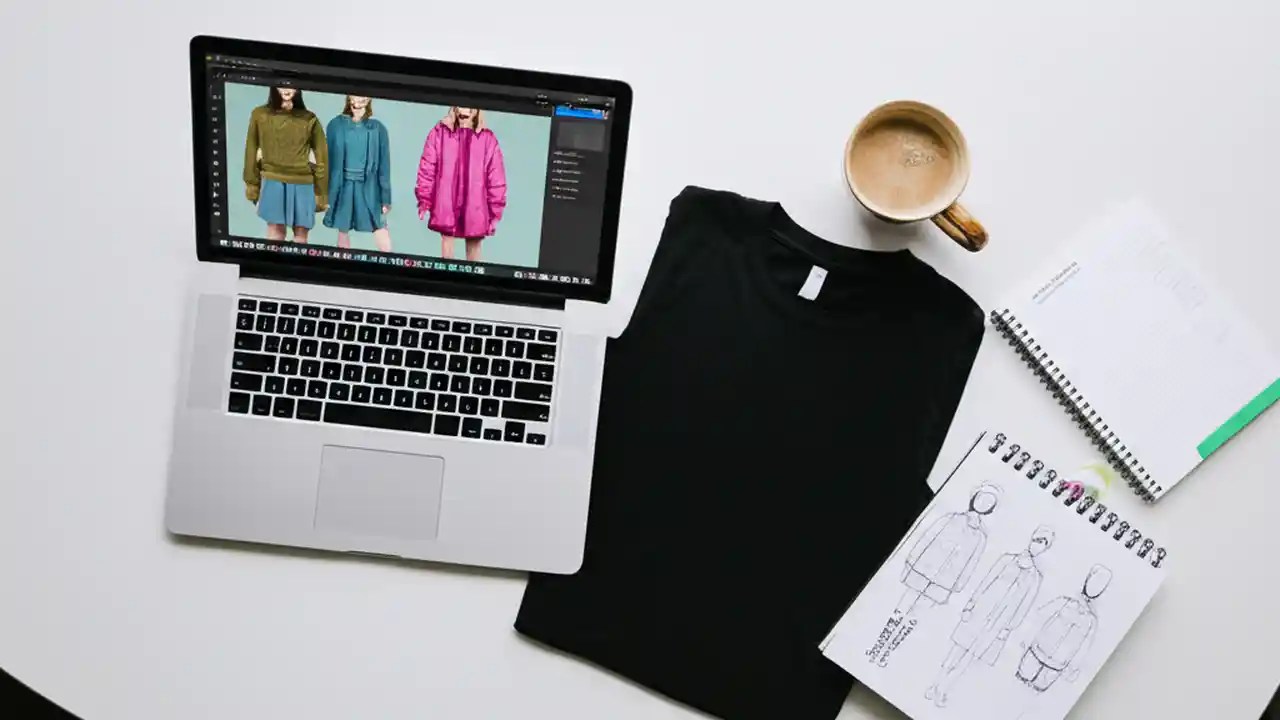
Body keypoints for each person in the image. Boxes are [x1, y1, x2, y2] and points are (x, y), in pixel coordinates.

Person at [924, 525, 1055, 708]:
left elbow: (1023, 606)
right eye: (1037, 540)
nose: (1038, 545)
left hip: (998, 625)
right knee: (956, 652)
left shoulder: (1035, 577)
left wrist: (1008, 628)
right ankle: (934, 684)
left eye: (1043, 543)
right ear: (1031, 539)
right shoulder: (1007, 560)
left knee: (970, 658)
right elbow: (985, 583)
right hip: (980, 612)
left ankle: (943, 690)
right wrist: (970, 605)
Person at [415, 107, 507, 262]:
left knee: (474, 247)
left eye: (471, 107)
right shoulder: (440, 133)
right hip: (446, 203)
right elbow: (427, 168)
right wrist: (424, 199)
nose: (465, 110)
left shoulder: (487, 139)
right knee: (447, 245)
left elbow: (496, 177)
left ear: (478, 111)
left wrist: (495, 211)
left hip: (476, 206)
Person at [243, 88, 328, 242]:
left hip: (303, 182)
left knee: (301, 235)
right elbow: (251, 149)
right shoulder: (260, 115)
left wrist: (321, 192)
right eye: (282, 85)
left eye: (292, 85)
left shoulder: (309, 118)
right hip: (272, 180)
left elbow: (322, 157)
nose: (287, 89)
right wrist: (252, 183)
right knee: (275, 232)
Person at [322, 95, 392, 252]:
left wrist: (385, 198)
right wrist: (325, 194)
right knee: (342, 229)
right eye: (355, 99)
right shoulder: (336, 126)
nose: (358, 103)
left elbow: (384, 165)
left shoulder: (377, 129)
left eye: (363, 100)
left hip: (369, 187)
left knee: (380, 227)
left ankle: (390, 266)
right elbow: (327, 161)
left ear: (368, 101)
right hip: (343, 186)